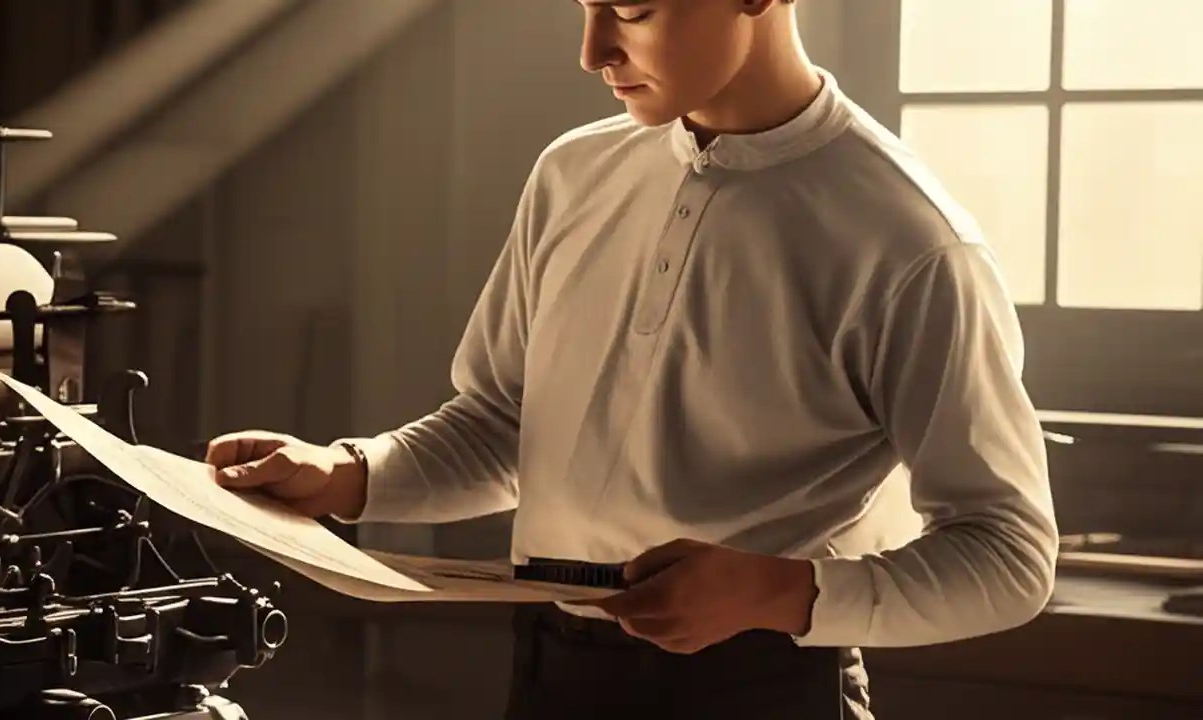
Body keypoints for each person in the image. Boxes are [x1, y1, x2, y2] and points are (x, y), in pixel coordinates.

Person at [204, 0, 1060, 717]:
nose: (592, 51)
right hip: (550, 671)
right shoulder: (572, 173)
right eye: (584, 6)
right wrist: (346, 474)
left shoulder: (912, 243)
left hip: (765, 691)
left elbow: (1009, 556)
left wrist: (768, 593)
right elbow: (504, 425)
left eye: (633, 8)